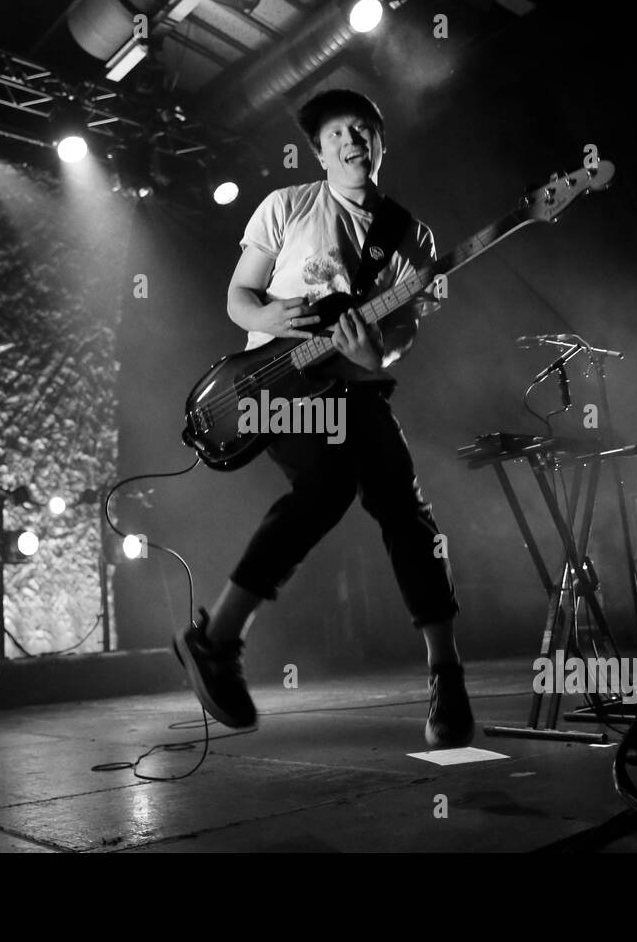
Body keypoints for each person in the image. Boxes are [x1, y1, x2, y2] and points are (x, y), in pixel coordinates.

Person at [174, 89, 474, 747]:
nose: (349, 139)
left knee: (404, 504)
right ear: (319, 149)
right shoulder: (287, 206)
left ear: (381, 141)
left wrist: (371, 350)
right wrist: (264, 317)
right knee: (329, 484)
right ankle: (218, 637)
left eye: (361, 128)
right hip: (271, 382)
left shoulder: (409, 235)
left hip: (352, 389)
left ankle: (446, 674)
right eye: (336, 132)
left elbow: (400, 337)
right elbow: (238, 294)